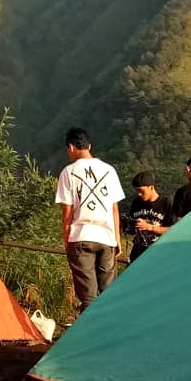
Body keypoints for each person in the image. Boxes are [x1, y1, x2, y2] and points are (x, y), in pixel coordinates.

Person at [56, 128, 125, 310]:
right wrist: (117, 239)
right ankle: (110, 333)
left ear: (71, 147)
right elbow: (114, 208)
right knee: (108, 294)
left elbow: (67, 211)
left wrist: (66, 238)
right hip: (107, 238)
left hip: (81, 237)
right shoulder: (109, 170)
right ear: (89, 146)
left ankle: (92, 337)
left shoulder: (68, 172)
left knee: (88, 297)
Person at [125, 171, 173, 262]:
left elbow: (172, 230)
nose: (139, 194)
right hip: (138, 253)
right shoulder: (136, 203)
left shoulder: (166, 203)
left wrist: (150, 227)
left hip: (159, 253)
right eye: (137, 191)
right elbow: (132, 229)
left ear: (151, 187)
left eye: (141, 191)